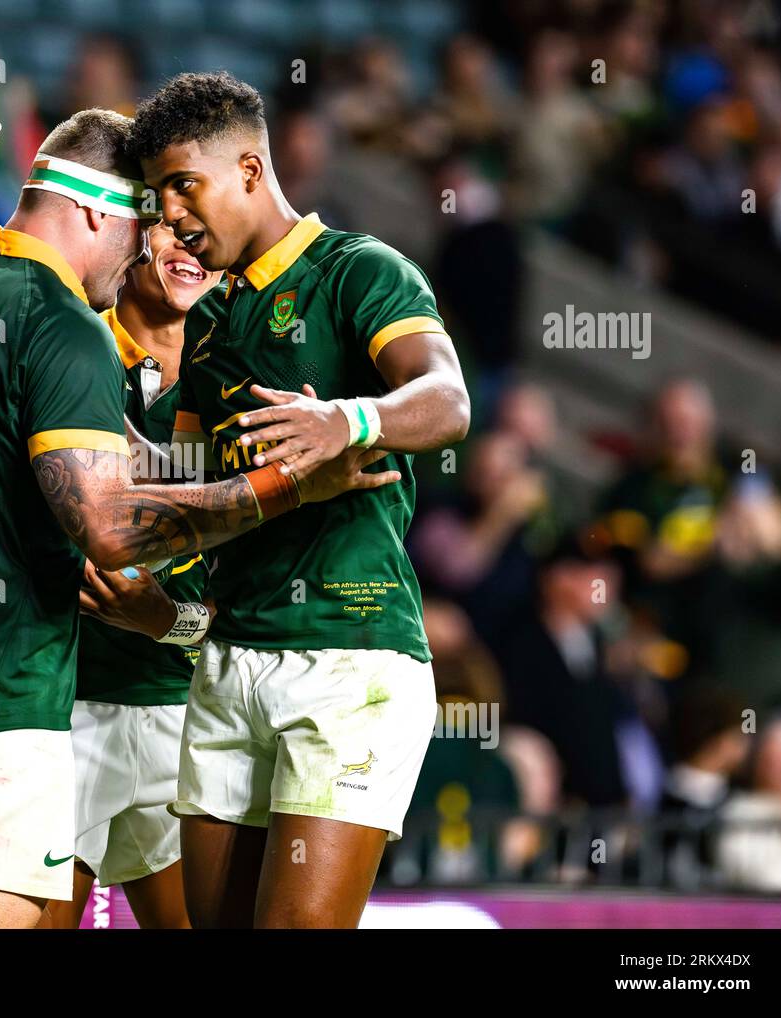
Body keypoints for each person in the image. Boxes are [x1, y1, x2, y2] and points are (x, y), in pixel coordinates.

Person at [0, 82, 396, 930]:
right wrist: (288, 482)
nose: (169, 238)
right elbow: (112, 529)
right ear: (97, 213)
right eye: (149, 219)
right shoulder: (67, 332)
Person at [130, 71, 471, 928]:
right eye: (157, 195)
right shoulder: (205, 321)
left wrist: (348, 420)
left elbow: (447, 400)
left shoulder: (361, 271)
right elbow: (186, 478)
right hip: (228, 657)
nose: (170, 212)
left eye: (183, 184)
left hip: (347, 660)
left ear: (249, 169)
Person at [39, 222, 221, 930]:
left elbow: (253, 603)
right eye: (170, 228)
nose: (189, 248)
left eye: (204, 235)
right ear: (131, 233)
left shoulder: (241, 376)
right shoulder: (61, 344)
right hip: (61, 709)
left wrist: (166, 621)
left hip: (187, 716)